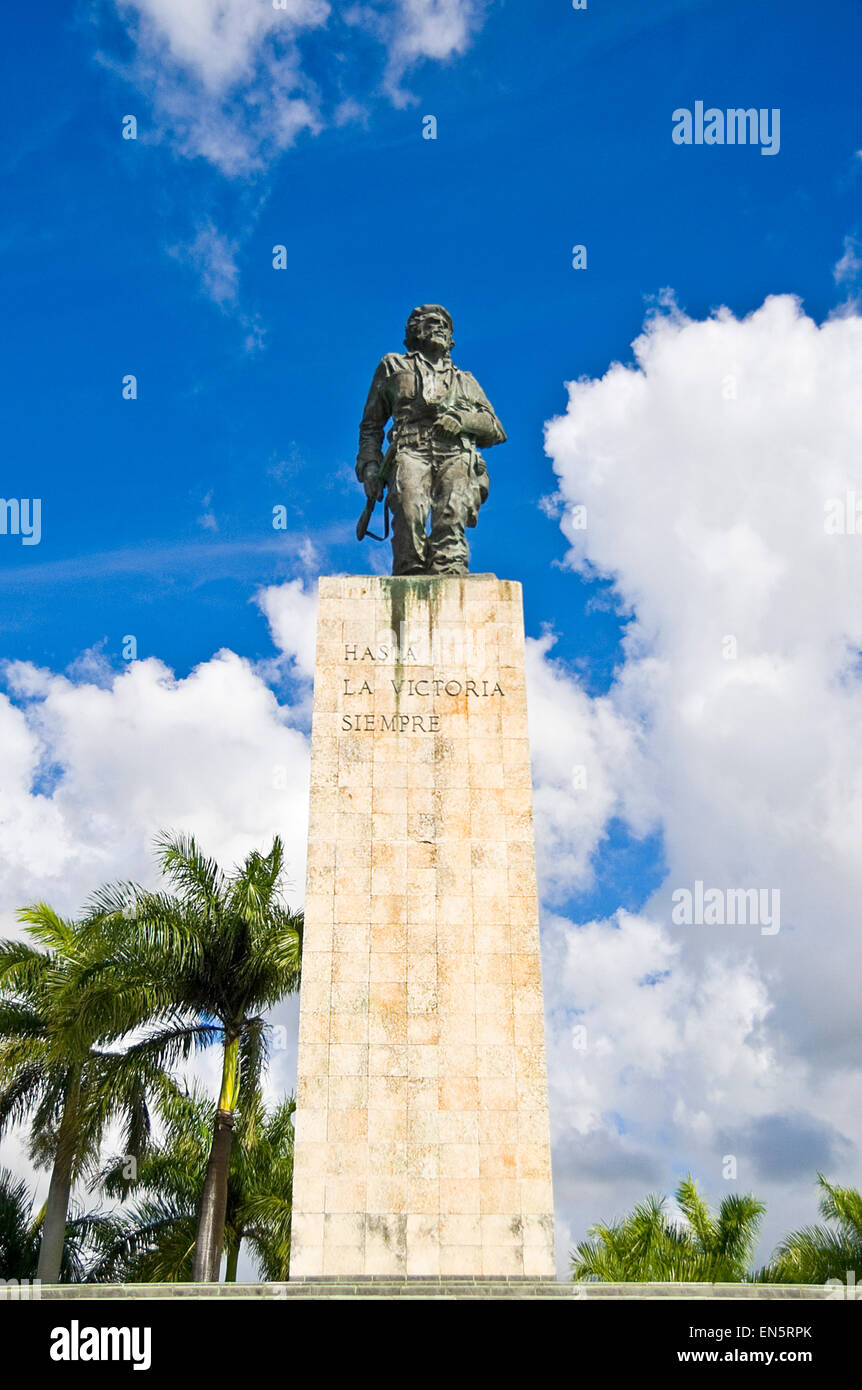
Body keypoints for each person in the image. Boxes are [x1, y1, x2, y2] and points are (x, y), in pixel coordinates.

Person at [356, 305, 506, 575]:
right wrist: (369, 466)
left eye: (444, 325)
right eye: (430, 322)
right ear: (414, 331)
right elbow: (371, 425)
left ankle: (449, 573)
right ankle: (409, 574)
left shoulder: (465, 380)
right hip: (410, 450)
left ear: (451, 340)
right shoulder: (392, 366)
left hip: (455, 454)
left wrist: (462, 421)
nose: (438, 327)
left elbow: (495, 427)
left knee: (451, 516)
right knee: (408, 510)